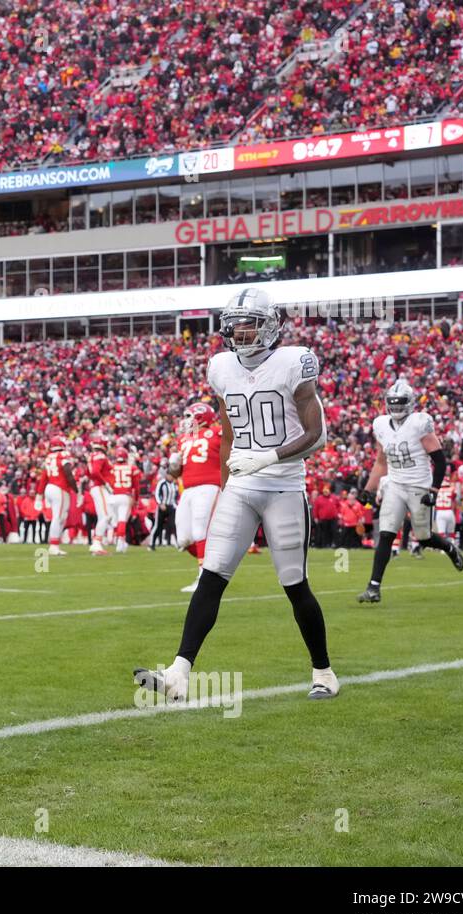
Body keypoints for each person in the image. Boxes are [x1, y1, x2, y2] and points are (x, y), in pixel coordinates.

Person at [133, 288, 339, 702]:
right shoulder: (221, 366)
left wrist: (267, 458)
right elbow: (228, 429)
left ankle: (324, 673)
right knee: (211, 577)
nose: (240, 332)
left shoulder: (293, 362)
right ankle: (179, 672)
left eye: (249, 323)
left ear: (269, 325)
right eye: (235, 324)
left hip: (283, 484)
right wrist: (228, 482)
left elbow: (318, 436)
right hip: (242, 487)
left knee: (294, 583)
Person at [356, 380, 463, 603]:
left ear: (410, 403)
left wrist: (434, 489)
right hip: (395, 484)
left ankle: (448, 547)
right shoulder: (381, 424)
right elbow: (380, 462)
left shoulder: (419, 423)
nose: (396, 406)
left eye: (400, 402)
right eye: (392, 402)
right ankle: (373, 587)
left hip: (419, 485)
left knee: (423, 537)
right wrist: (369, 488)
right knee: (386, 533)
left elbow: (440, 460)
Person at [170, 402, 221, 588]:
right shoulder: (184, 438)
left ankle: (204, 578)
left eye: (189, 416)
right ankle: (212, 565)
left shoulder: (217, 432)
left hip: (209, 486)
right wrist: (173, 465)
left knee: (201, 529)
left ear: (200, 417)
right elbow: (175, 473)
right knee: (183, 538)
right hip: (188, 489)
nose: (185, 421)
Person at [40, 436, 76, 555]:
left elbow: (44, 476)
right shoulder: (63, 455)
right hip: (59, 487)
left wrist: (39, 493)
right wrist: (76, 489)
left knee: (61, 517)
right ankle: (53, 545)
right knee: (58, 517)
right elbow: (67, 472)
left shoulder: (48, 457)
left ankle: (55, 544)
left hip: (50, 487)